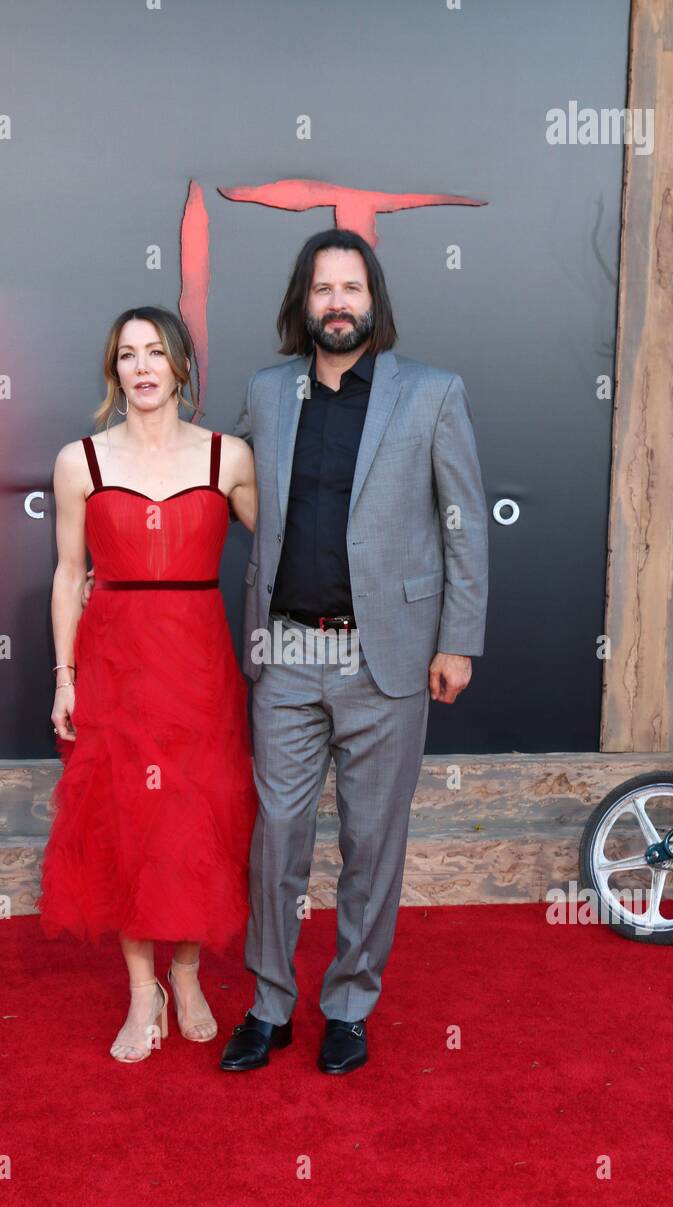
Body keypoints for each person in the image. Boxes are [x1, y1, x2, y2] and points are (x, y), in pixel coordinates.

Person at [219, 229, 489, 1076]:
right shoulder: (267, 394)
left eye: (353, 289)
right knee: (278, 838)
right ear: (304, 303)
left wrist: (459, 642)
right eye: (323, 289)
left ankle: (350, 1004)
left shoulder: (432, 394)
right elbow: (222, 487)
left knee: (373, 843)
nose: (338, 303)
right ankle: (269, 1004)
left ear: (375, 301)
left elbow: (465, 525)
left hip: (391, 658)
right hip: (287, 652)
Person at [35, 306, 258, 1062]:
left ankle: (188, 975)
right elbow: (69, 576)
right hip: (113, 664)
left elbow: (293, 546)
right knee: (126, 824)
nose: (142, 367)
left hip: (198, 664)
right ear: (114, 371)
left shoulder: (229, 457)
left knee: (198, 820)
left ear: (181, 365)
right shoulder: (81, 462)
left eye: (156, 352)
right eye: (127, 355)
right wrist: (64, 677)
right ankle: (142, 991)